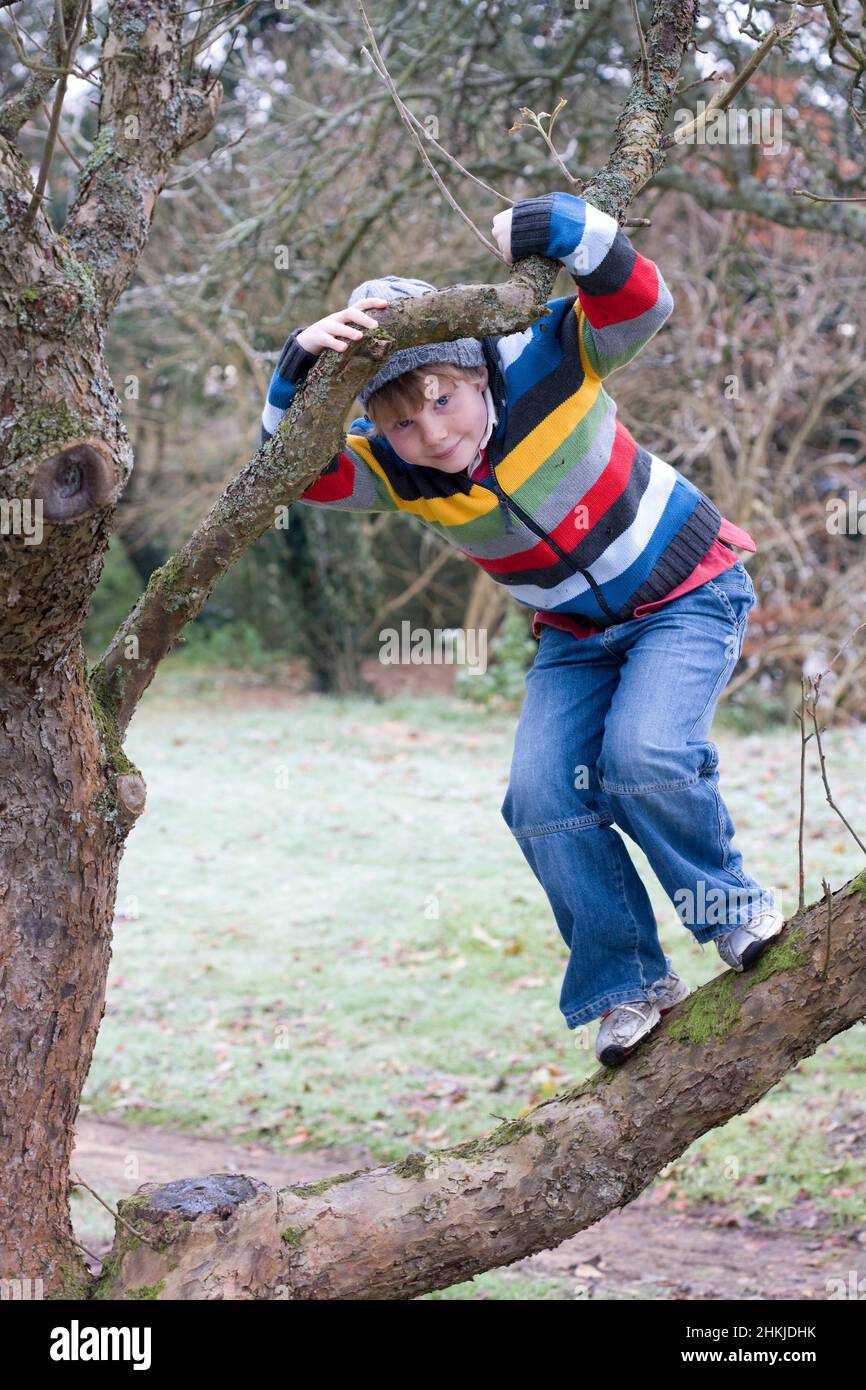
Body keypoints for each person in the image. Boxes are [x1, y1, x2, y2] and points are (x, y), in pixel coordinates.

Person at [259, 190, 785, 1068]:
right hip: (575, 638)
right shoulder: (394, 469)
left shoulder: (548, 358)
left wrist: (564, 229)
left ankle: (731, 913)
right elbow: (286, 476)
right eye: (399, 422)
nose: (430, 434)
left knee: (643, 759)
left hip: (688, 591)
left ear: (473, 368)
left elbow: (641, 301)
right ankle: (627, 984)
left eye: (443, 400)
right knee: (540, 795)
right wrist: (296, 364)